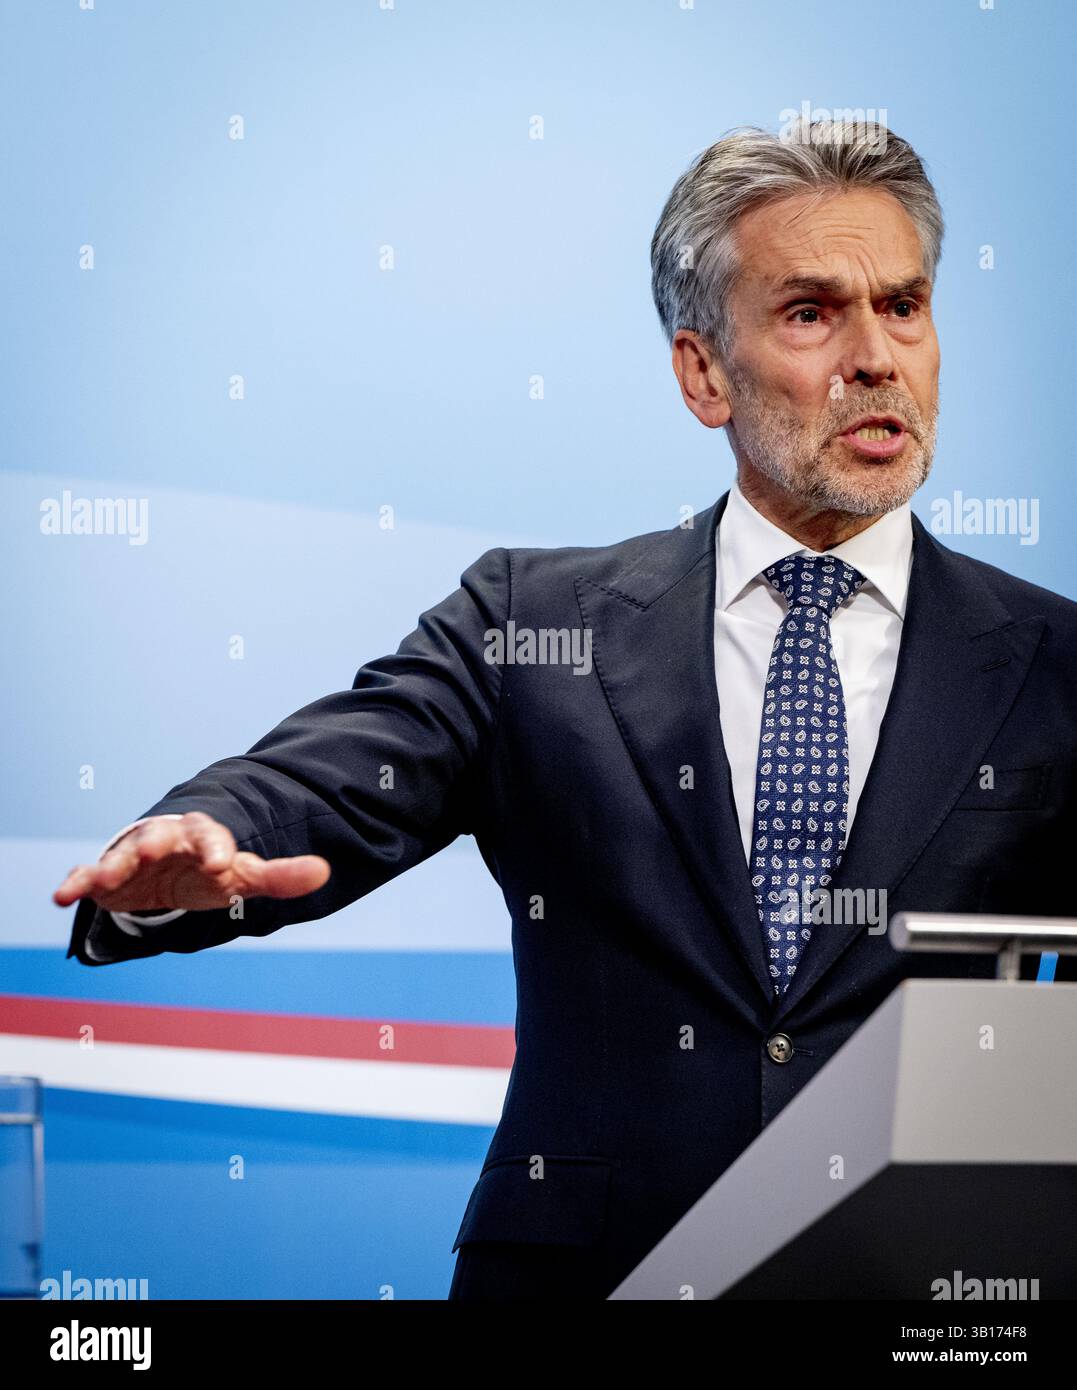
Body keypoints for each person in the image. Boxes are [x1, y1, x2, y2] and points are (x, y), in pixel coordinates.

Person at [55, 118, 1077, 1300]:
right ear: (704, 371)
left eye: (903, 306)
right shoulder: (530, 620)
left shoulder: (1055, 663)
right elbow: (334, 776)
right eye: (810, 313)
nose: (876, 356)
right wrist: (206, 835)